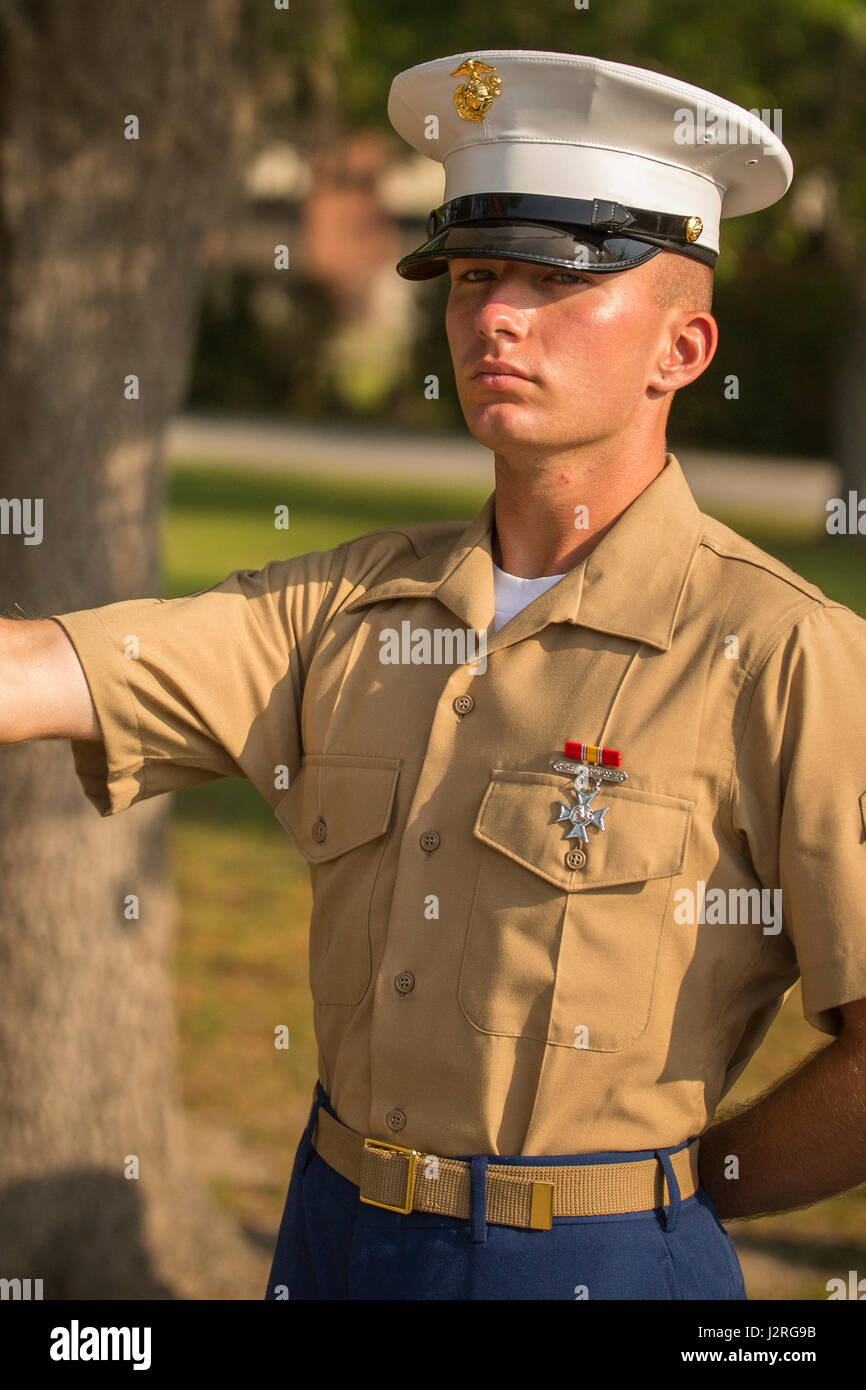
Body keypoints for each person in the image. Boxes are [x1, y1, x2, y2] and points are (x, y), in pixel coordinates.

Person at [3, 50, 866, 1301]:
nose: (495, 316)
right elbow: (46, 670)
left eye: (556, 279)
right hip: (328, 1225)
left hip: (590, 1260)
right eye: (471, 277)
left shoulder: (784, 655)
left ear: (682, 346)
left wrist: (674, 1198)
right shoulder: (346, 607)